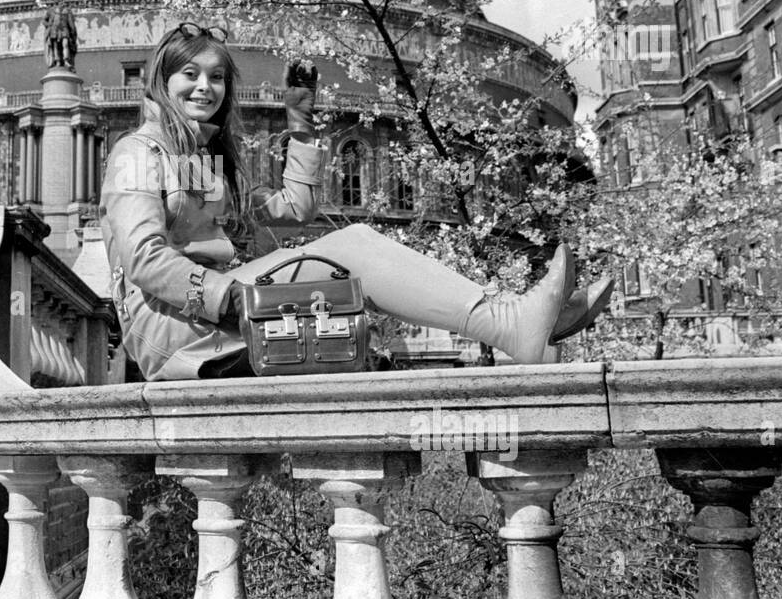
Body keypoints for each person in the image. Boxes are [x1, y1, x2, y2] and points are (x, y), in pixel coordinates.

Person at [99, 22, 613, 382]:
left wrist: (300, 123)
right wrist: (220, 296)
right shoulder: (137, 153)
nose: (205, 86)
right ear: (161, 82)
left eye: (216, 77)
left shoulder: (208, 162)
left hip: (214, 314)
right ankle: (510, 323)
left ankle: (517, 319)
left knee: (351, 256)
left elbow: (295, 209)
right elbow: (142, 257)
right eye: (189, 74)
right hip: (179, 329)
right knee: (357, 245)